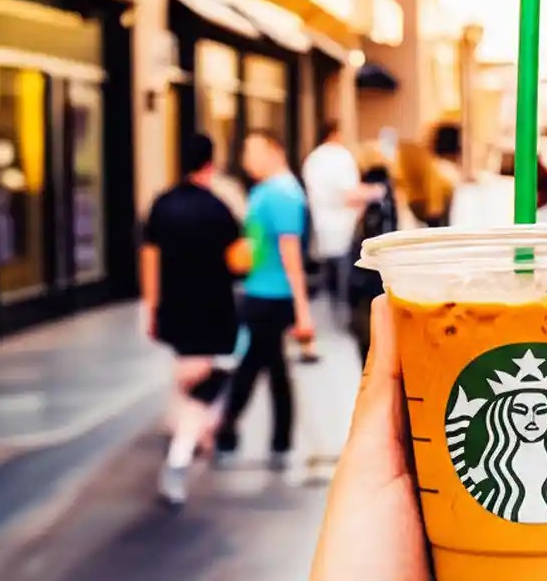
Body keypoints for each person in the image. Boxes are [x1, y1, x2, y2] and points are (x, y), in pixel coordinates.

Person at [310, 296, 547, 581]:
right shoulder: (494, 471)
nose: (530, 420)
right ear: (501, 416)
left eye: (541, 411)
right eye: (518, 411)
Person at [141, 134, 241, 504]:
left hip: (174, 309)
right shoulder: (219, 208)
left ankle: (190, 432)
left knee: (189, 375)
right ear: (210, 165)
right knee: (205, 385)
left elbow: (149, 258)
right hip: (213, 309)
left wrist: (151, 306)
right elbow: (239, 261)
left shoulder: (161, 205)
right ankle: (180, 456)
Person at [216, 130, 314, 468]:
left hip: (273, 296)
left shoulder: (282, 194)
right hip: (261, 290)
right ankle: (276, 438)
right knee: (270, 366)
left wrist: (302, 310)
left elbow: (291, 253)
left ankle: (228, 428)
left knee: (255, 364)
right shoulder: (265, 192)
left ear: (275, 151)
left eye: (253, 150)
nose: (246, 159)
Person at [302, 121, 381, 311]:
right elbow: (350, 193)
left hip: (320, 228)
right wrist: (377, 192)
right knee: (343, 282)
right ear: (335, 134)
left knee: (327, 281)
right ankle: (343, 316)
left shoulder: (313, 159)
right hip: (342, 228)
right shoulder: (338, 157)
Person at [347, 154, 398, 365]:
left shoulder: (377, 205)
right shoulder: (389, 203)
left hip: (369, 286)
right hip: (378, 285)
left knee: (371, 348)